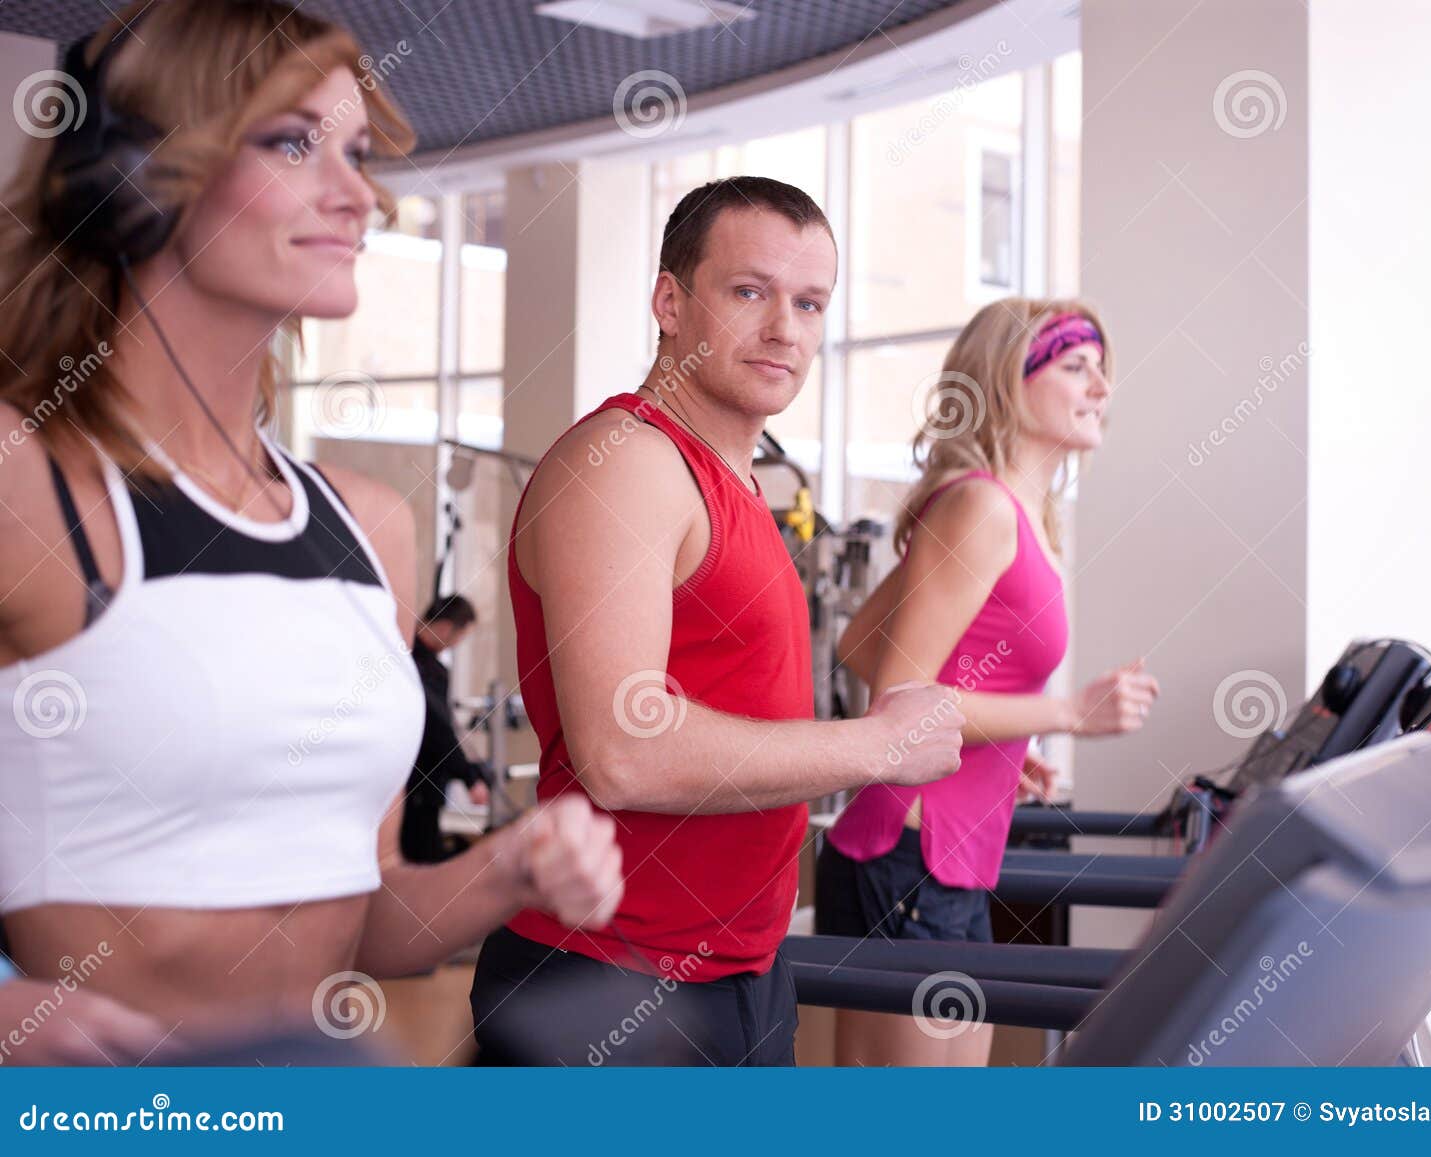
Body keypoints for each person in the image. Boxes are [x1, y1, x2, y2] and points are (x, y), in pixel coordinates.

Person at [0, 0, 620, 1057]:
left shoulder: (366, 523)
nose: (358, 194)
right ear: (142, 174)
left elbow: (365, 915)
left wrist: (506, 868)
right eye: (293, 143)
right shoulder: (32, 482)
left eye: (360, 153)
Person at [470, 176, 966, 1067]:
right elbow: (624, 751)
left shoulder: (732, 481)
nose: (786, 328)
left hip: (737, 972)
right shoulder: (628, 461)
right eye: (750, 292)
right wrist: (879, 746)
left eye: (810, 303)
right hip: (606, 981)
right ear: (669, 300)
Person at [817, 298, 1161, 1066]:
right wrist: (1069, 713)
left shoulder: (1015, 513)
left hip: (944, 862)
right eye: (1077, 367)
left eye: (1103, 370)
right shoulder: (980, 508)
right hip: (905, 858)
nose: (1102, 387)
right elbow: (901, 703)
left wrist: (999, 743)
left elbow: (863, 643)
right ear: (1011, 380)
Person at [403, 594, 492, 864]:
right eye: (459, 637)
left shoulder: (400, 652)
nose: (454, 644)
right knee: (422, 861)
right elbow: (439, 731)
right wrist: (470, 778)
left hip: (406, 783)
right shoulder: (425, 668)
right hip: (418, 787)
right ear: (445, 627)